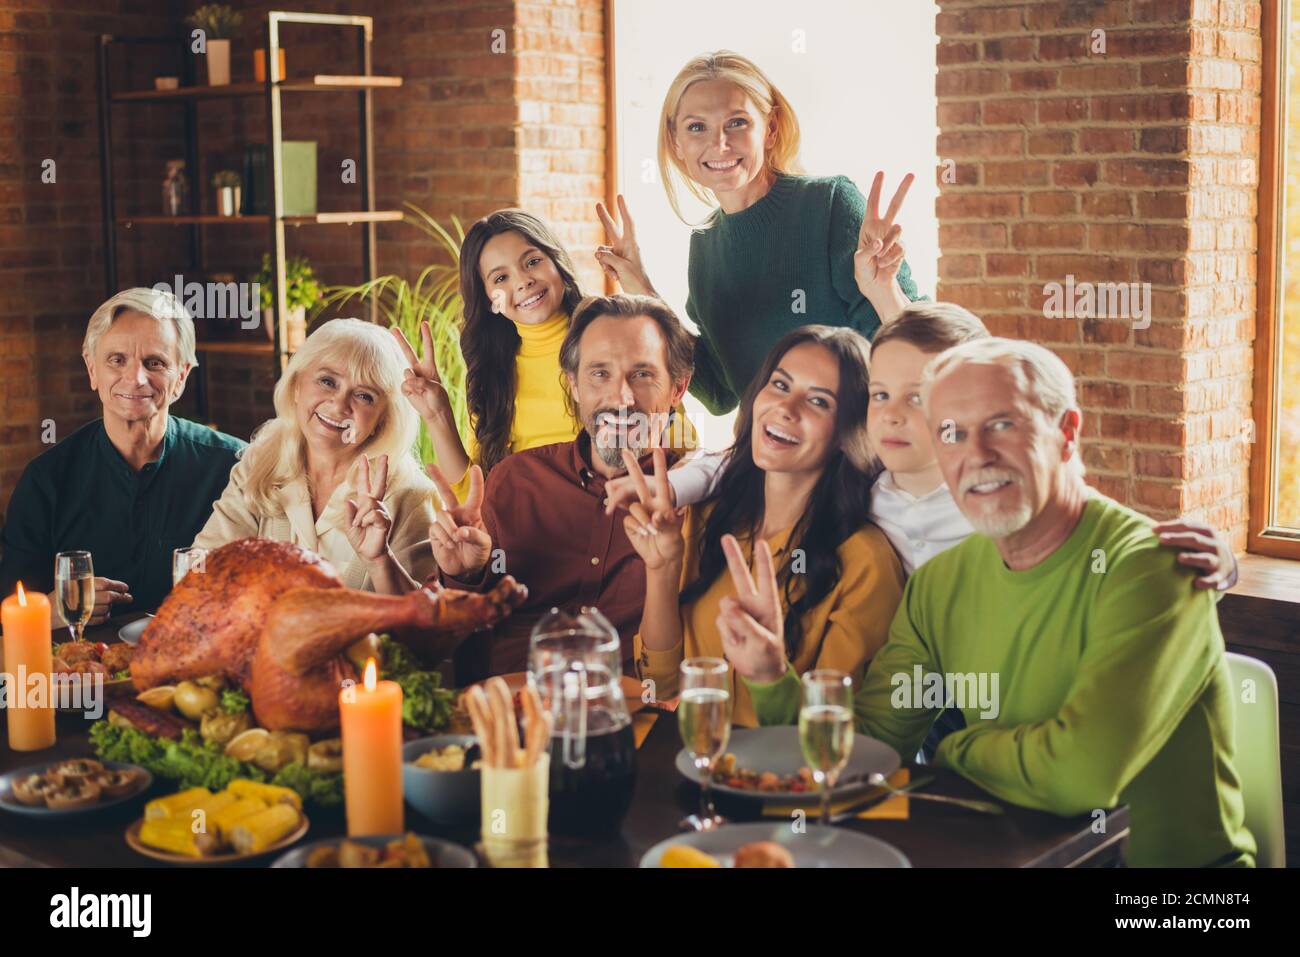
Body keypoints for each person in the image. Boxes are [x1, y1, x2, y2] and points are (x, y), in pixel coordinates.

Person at [736, 336, 1256, 868]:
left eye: (1003, 425)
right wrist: (771, 676)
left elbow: (1079, 778)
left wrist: (957, 752)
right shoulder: (940, 584)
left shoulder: (1150, 566)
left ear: (1067, 434)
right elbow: (870, 750)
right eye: (952, 434)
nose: (976, 455)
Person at [595, 50, 925, 414]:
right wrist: (642, 287)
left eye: (736, 123)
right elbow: (720, 390)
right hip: (776, 457)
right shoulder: (705, 248)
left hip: (859, 450)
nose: (718, 144)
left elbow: (924, 354)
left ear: (769, 129)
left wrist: (884, 291)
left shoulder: (829, 205)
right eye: (696, 127)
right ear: (676, 142)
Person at [625, 326, 904, 726]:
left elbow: (842, 736)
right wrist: (661, 569)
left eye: (819, 401)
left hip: (784, 782)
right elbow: (659, 684)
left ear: (847, 433)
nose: (786, 409)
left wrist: (770, 675)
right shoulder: (706, 517)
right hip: (695, 764)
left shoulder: (866, 563)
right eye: (779, 384)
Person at [426, 294, 694, 681]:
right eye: (599, 374)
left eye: (642, 374)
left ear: (677, 390)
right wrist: (466, 576)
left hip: (626, 718)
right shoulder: (514, 481)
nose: (621, 398)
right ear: (574, 385)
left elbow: (672, 676)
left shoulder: (695, 502)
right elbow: (450, 640)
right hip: (506, 713)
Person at [392, 209, 695, 504]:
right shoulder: (495, 374)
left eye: (533, 261)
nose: (522, 281)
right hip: (534, 540)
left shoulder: (609, 339)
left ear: (557, 263)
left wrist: (639, 284)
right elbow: (475, 498)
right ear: (487, 300)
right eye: (500, 278)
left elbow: (681, 447)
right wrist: (437, 414)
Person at [0, 288, 244, 620]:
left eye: (154, 362)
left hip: (196, 663)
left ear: (181, 376)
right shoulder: (46, 480)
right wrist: (54, 611)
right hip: (82, 665)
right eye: (117, 360)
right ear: (92, 369)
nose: (136, 378)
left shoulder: (235, 467)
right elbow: (10, 608)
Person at [194, 318, 436, 595]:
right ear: (297, 385)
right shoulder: (261, 459)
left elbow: (426, 627)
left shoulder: (411, 497)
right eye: (327, 381)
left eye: (364, 396)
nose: (339, 404)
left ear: (382, 420)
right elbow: (204, 562)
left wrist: (380, 562)